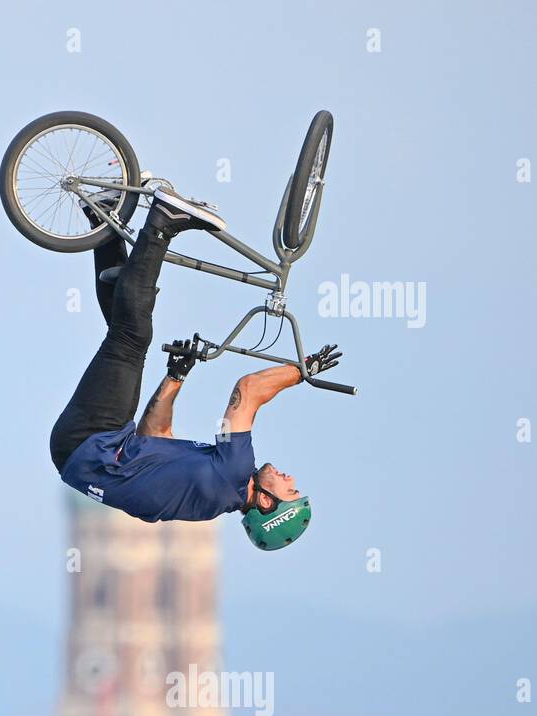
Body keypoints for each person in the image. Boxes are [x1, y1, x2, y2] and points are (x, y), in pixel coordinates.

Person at [49, 187, 341, 551]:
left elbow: (248, 389)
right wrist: (176, 377)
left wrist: (303, 369)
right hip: (89, 449)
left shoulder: (233, 470)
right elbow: (153, 434)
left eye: (291, 489)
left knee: (130, 337)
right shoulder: (212, 500)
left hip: (91, 440)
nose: (289, 477)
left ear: (268, 503)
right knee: (124, 332)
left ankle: (163, 221)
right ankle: (103, 219)